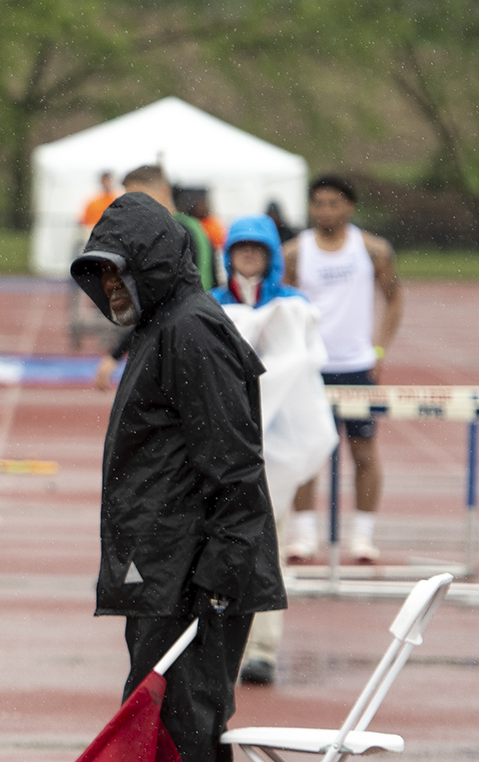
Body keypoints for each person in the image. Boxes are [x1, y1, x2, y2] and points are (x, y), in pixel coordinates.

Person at [71, 192, 283, 762]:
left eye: (118, 273)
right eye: (100, 276)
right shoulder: (163, 324)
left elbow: (235, 466)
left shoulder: (192, 332)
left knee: (177, 735)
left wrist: (216, 585)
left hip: (195, 583)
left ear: (152, 264)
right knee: (166, 734)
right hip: (169, 574)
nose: (110, 288)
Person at [214, 216, 336, 688]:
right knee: (219, 548)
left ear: (270, 255)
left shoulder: (294, 307)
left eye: (256, 249)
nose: (248, 256)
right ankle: (221, 644)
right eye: (240, 248)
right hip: (225, 450)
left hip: (275, 455)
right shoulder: (212, 304)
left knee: (270, 547)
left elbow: (306, 369)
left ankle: (262, 649)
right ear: (229, 255)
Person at [283, 175, 404, 565]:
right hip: (312, 366)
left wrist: (380, 347)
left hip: (356, 366)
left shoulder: (371, 249)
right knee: (306, 452)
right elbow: (281, 305)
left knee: (364, 451)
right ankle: (303, 535)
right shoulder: (295, 253)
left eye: (334, 203)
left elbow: (395, 298)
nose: (325, 211)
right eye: (318, 204)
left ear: (349, 206)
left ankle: (363, 537)